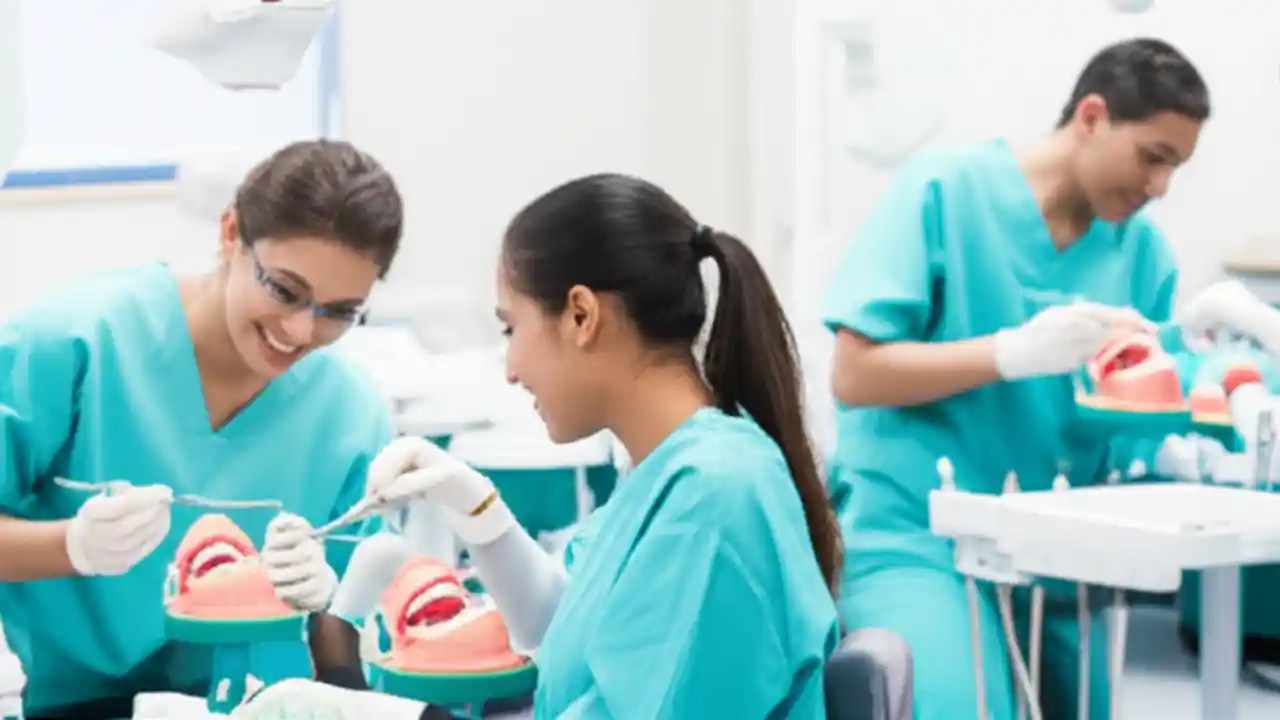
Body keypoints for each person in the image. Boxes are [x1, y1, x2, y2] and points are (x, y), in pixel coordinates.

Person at [238, 172, 844, 719]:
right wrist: (476, 509)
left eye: (511, 328)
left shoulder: (712, 495)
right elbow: (563, 625)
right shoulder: (672, 476)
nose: (511, 368)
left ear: (581, 315)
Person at [819, 37, 1271, 720]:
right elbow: (855, 374)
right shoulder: (946, 192)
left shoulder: (1143, 254)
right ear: (1091, 116)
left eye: (1175, 168)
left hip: (1060, 550)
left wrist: (1192, 422)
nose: (1159, 188)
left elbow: (1129, 409)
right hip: (920, 534)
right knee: (965, 706)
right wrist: (1009, 354)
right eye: (1153, 157)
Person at [0, 139, 403, 718]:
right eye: (285, 290)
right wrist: (72, 548)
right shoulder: (75, 343)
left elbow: (339, 657)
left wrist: (333, 602)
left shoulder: (349, 416)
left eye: (338, 311)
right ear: (232, 233)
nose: (299, 330)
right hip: (69, 705)